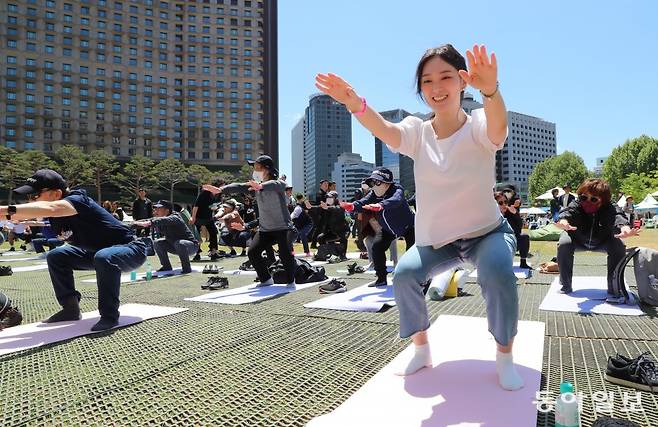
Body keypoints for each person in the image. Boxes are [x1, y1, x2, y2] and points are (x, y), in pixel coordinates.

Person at [316, 43, 523, 390]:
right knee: (405, 276)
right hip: (438, 240)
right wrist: (354, 103)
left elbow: (498, 129)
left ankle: (504, 355)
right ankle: (421, 349)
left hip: (487, 234)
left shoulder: (478, 125)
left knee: (499, 272)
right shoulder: (417, 132)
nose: (436, 87)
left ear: (463, 82)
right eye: (427, 81)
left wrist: (491, 90)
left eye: (446, 77)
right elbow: (384, 129)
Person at [1, 169, 148, 331]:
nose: (31, 200)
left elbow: (51, 209)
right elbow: (28, 216)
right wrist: (7, 216)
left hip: (130, 249)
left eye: (35, 195)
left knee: (104, 257)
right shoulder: (54, 214)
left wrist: (6, 211)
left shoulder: (78, 199)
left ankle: (109, 315)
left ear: (56, 194)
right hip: (96, 253)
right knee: (56, 256)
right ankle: (70, 308)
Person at [203, 155, 297, 287]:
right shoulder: (255, 187)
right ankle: (266, 280)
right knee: (252, 252)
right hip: (265, 230)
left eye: (258, 167)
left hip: (284, 228)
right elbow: (239, 186)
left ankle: (291, 280)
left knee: (285, 253)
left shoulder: (278, 184)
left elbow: (274, 184)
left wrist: (260, 187)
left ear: (267, 169)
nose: (255, 171)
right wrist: (221, 190)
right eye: (254, 168)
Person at [554, 178, 639, 296]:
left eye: (593, 199)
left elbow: (618, 215)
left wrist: (624, 227)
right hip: (578, 240)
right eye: (584, 197)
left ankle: (614, 287)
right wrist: (563, 220)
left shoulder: (609, 207)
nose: (587, 201)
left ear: (603, 200)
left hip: (602, 241)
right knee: (564, 243)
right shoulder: (576, 203)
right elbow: (568, 211)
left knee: (619, 245)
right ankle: (565, 285)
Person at [341, 167, 415, 287]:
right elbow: (363, 202)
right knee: (377, 248)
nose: (373, 186)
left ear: (387, 184)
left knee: (411, 253)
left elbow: (396, 200)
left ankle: (413, 279)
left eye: (377, 182)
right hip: (388, 229)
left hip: (409, 227)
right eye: (372, 183)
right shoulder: (373, 194)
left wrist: (381, 205)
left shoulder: (397, 189)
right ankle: (381, 278)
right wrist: (352, 206)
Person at [134, 200, 198, 274]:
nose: (156, 210)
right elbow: (149, 220)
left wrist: (149, 222)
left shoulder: (175, 218)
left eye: (159, 208)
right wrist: (133, 224)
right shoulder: (160, 219)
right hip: (175, 246)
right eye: (155, 208)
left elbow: (160, 220)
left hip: (191, 246)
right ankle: (166, 266)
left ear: (167, 210)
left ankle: (186, 268)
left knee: (179, 243)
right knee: (158, 243)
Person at [306, 190, 350, 259]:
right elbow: (318, 208)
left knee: (343, 238)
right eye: (328, 198)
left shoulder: (340, 206)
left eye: (330, 198)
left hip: (342, 231)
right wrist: (310, 207)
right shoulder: (326, 207)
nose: (328, 199)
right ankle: (327, 252)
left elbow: (337, 209)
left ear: (335, 199)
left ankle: (343, 254)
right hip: (331, 232)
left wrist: (328, 207)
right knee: (320, 238)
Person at [495, 191, 531, 269]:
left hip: (510, 242)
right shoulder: (492, 216)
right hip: (496, 244)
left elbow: (519, 228)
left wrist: (515, 214)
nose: (504, 205)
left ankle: (523, 262)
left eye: (506, 202)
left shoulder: (510, 213)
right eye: (500, 203)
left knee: (524, 237)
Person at [191, 180, 221, 261]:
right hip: (199, 217)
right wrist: (193, 217)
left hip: (209, 217)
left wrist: (216, 210)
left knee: (213, 233)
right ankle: (197, 253)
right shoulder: (205, 192)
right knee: (196, 235)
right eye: (221, 186)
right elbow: (196, 205)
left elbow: (216, 205)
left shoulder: (218, 194)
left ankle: (213, 252)